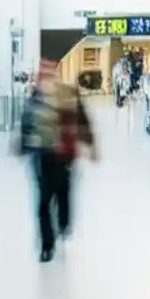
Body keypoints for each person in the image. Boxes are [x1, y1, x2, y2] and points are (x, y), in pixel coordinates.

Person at [20, 72, 98, 263]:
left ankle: (63, 224)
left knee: (63, 193)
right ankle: (47, 245)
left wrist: (90, 144)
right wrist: (23, 144)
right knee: (44, 200)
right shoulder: (36, 99)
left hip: (64, 157)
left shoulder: (69, 97)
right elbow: (26, 122)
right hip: (42, 155)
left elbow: (83, 122)